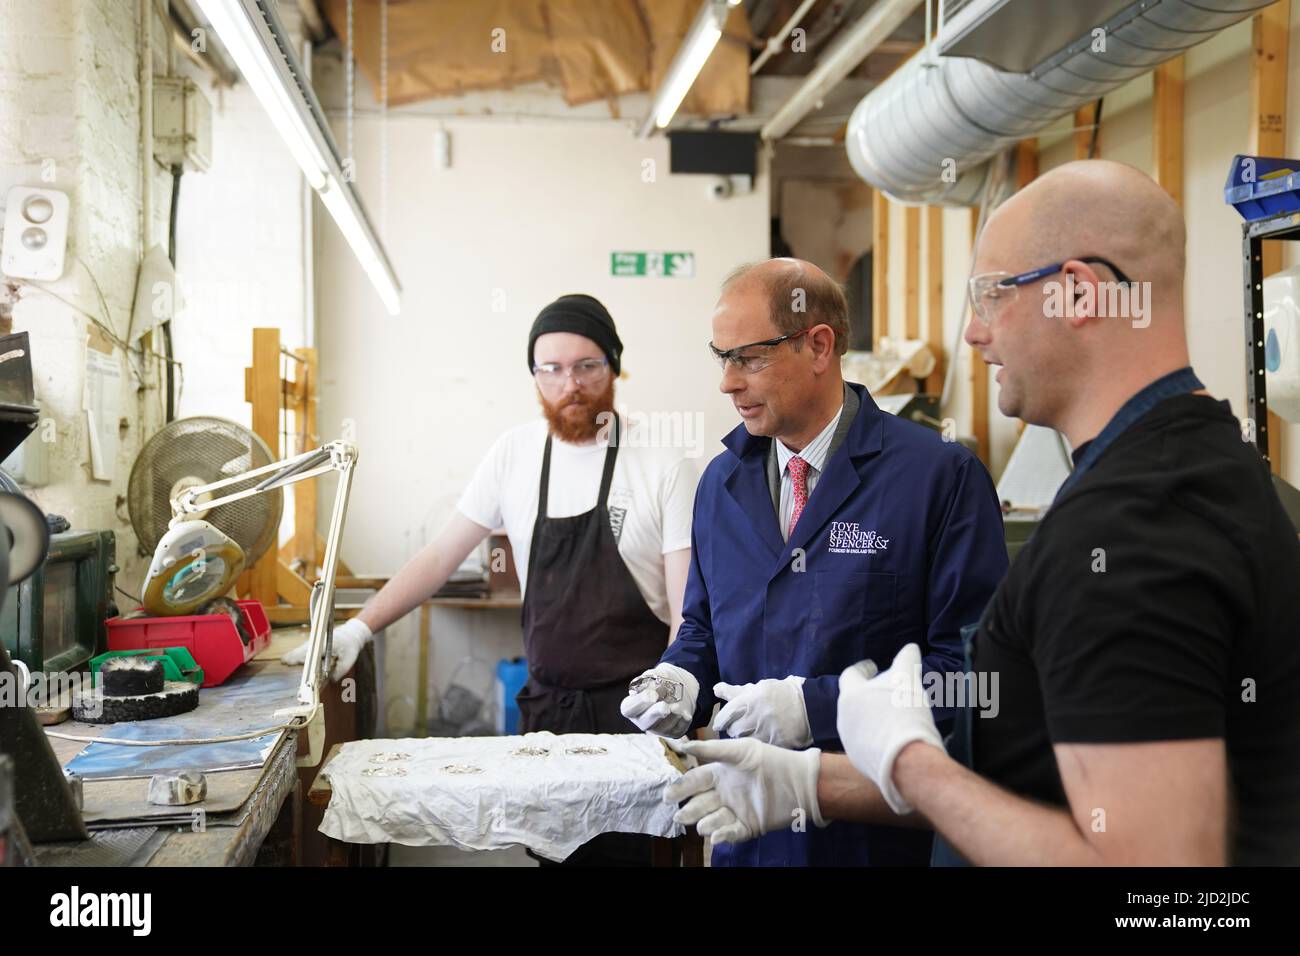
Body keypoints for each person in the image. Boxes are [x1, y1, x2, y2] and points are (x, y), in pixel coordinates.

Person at [664, 160, 1300, 866]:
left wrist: (901, 764)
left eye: (991, 295)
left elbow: (1157, 888)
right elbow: (1034, 770)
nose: (972, 333)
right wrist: (815, 782)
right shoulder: (1194, 469)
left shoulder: (1135, 526)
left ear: (1078, 294)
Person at [286, 293, 699, 865]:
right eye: (550, 369)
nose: (569, 384)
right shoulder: (515, 454)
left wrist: (679, 689)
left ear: (614, 367)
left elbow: (686, 605)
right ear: (534, 376)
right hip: (549, 717)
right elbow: (438, 558)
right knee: (556, 859)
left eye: (587, 366)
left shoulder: (662, 459)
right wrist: (359, 628)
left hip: (638, 717)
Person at [621, 258, 1007, 866]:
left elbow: (968, 679)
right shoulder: (722, 484)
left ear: (819, 345)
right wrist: (681, 677)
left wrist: (814, 708)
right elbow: (703, 626)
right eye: (720, 357)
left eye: (747, 357)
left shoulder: (938, 479)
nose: (727, 382)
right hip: (744, 832)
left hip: (870, 838)